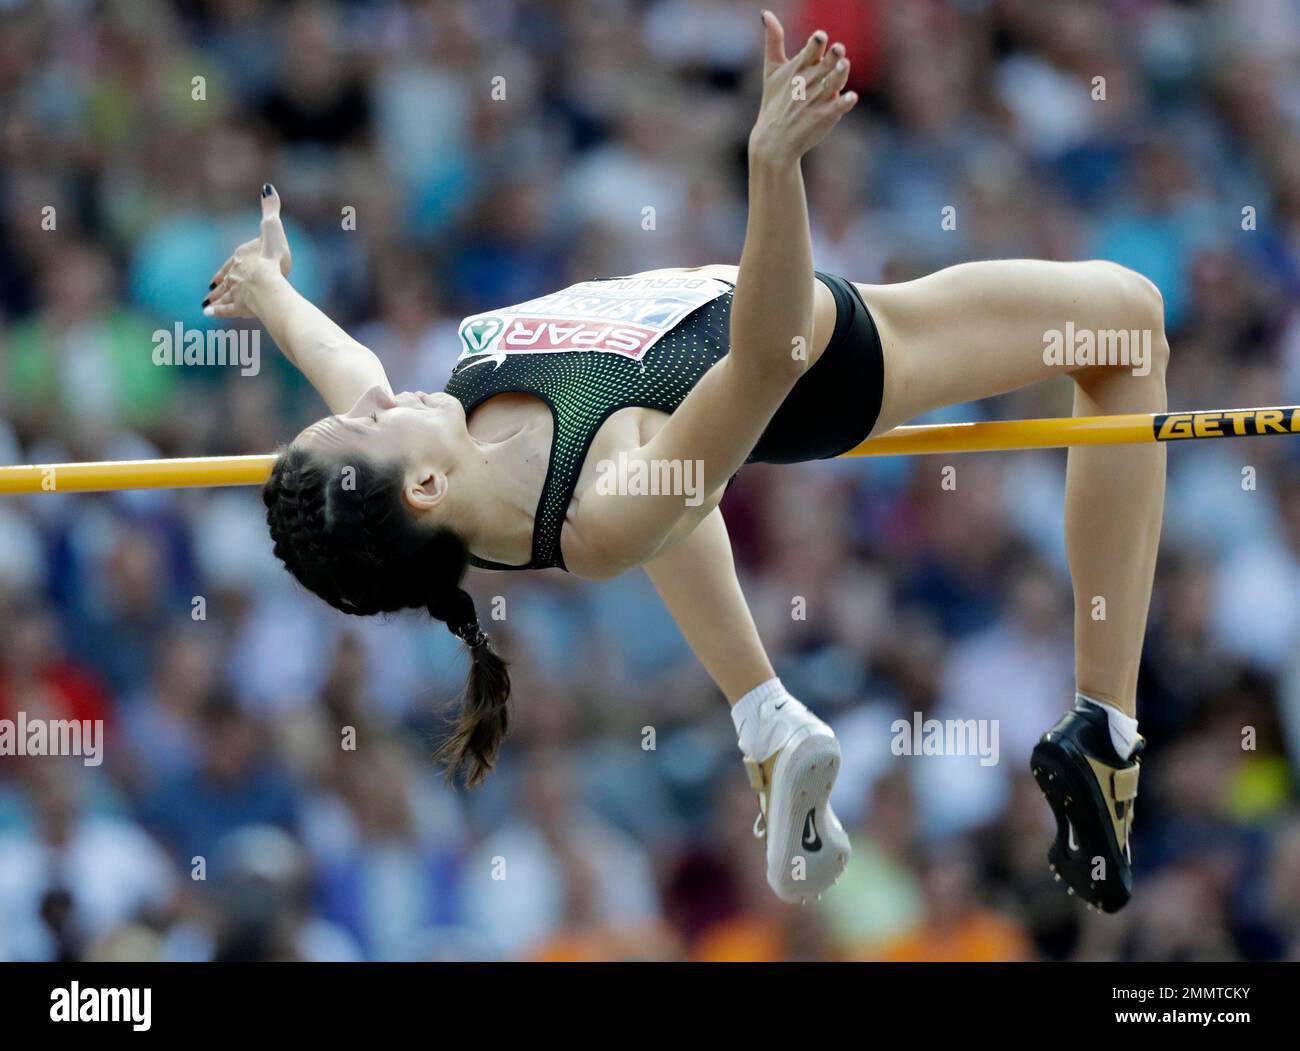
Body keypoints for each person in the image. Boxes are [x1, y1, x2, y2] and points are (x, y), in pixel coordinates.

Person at [204, 12, 1165, 911]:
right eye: (370, 424)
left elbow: (350, 370)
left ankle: (767, 720)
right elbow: (769, 352)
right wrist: (772, 166)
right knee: (1127, 326)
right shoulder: (595, 513)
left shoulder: (427, 463)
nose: (381, 400)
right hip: (829, 351)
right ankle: (1106, 729)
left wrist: (269, 291)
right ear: (419, 486)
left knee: (656, 475)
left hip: (696, 376)